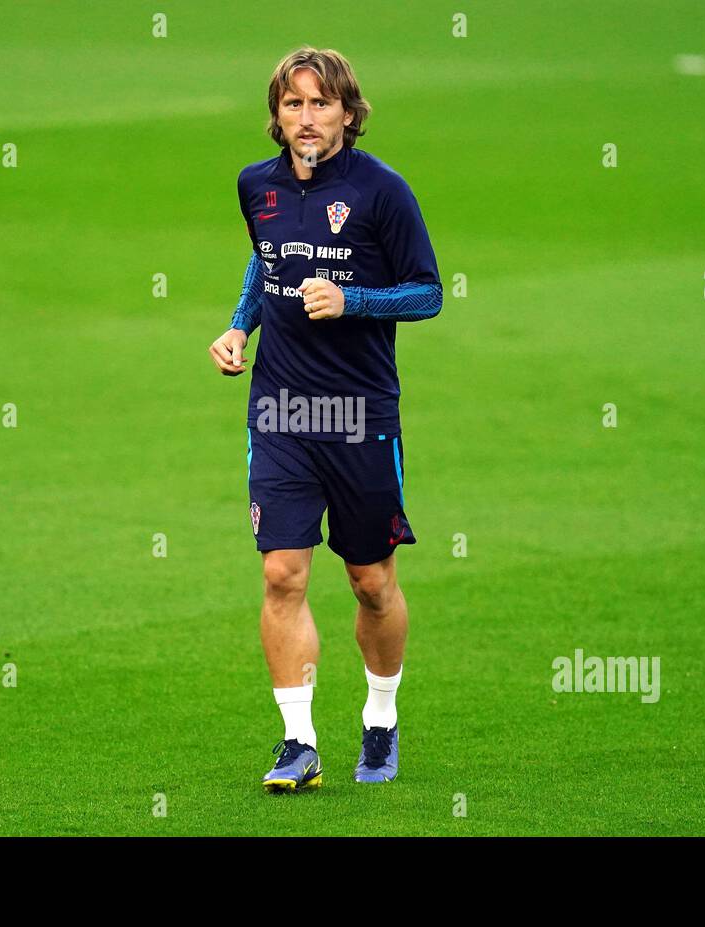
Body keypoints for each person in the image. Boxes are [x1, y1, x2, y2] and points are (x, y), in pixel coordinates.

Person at [208, 46, 442, 791]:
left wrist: (356, 301)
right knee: (282, 571)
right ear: (276, 116)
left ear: (348, 112)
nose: (306, 119)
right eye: (293, 104)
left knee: (371, 581)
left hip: (360, 412)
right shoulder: (256, 186)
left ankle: (379, 717)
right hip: (280, 408)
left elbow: (428, 292)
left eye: (320, 104)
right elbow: (265, 261)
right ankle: (297, 741)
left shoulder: (383, 192)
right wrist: (241, 324)